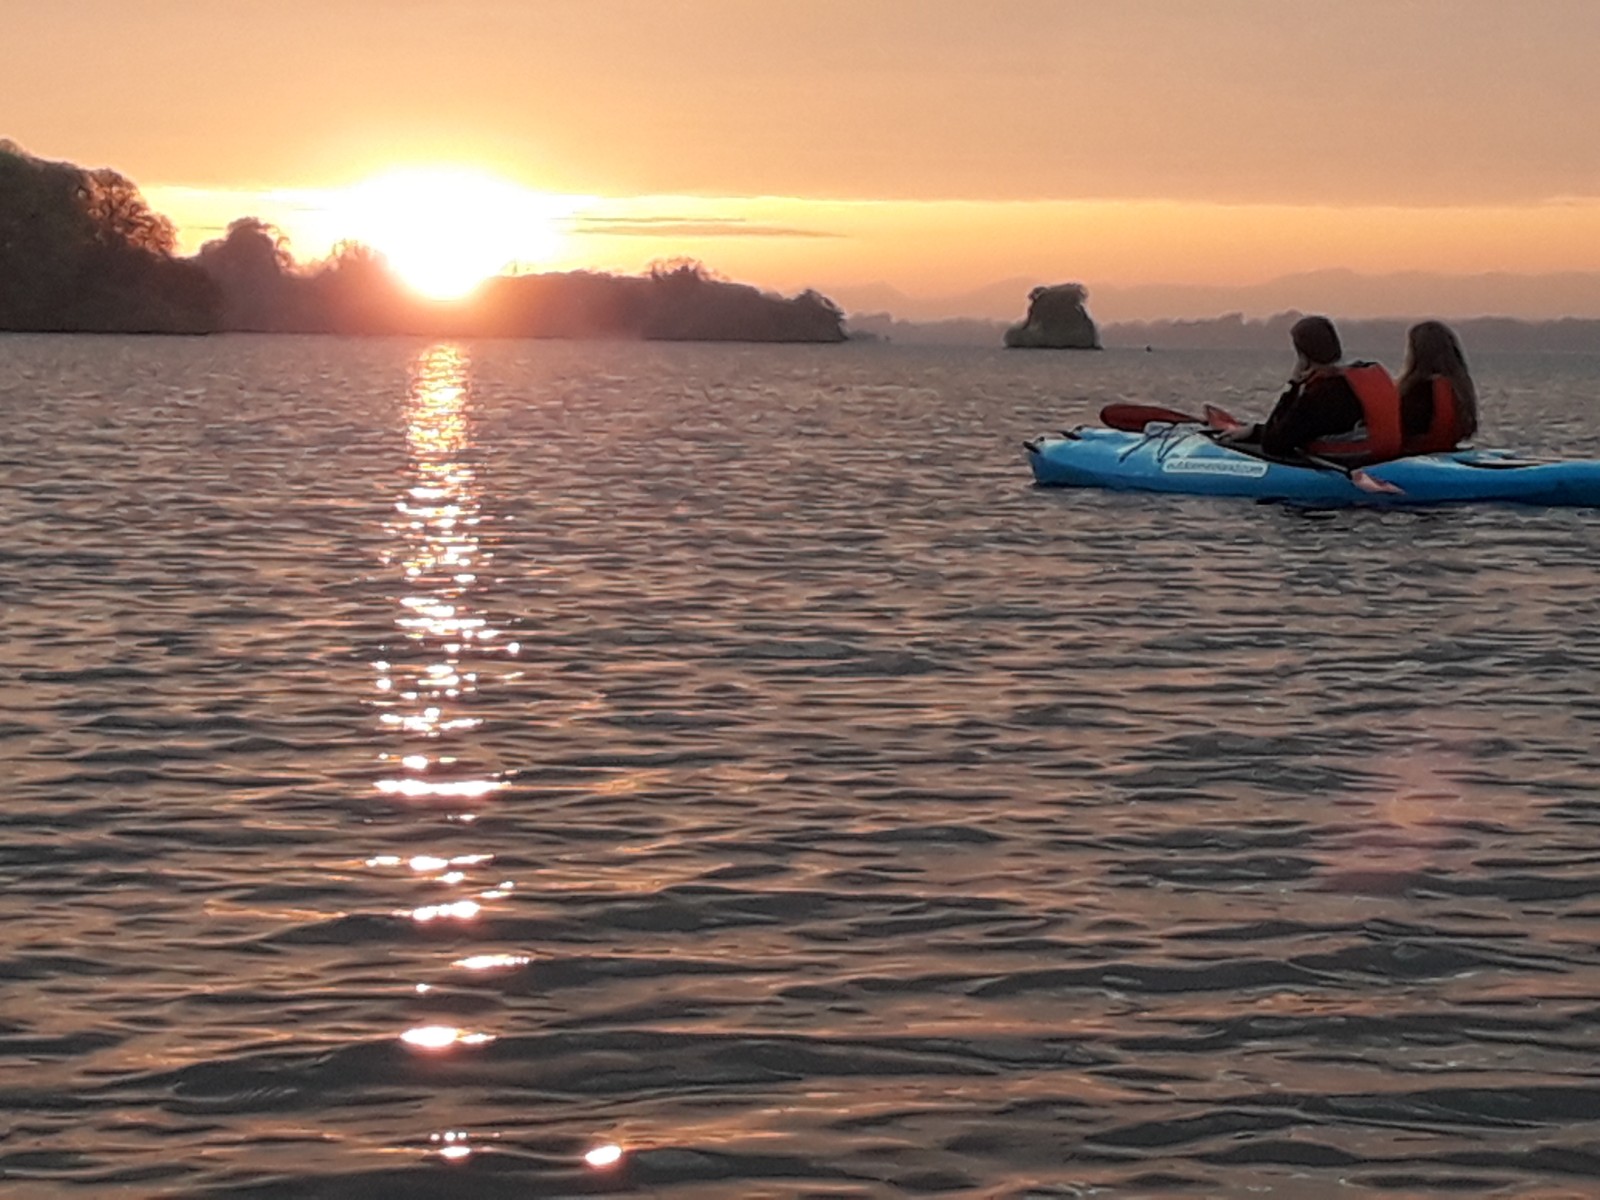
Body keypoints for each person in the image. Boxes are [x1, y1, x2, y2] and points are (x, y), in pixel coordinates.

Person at [1220, 315, 1403, 465]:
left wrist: (1293, 384)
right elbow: (1306, 427)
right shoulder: (1361, 375)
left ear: (1303, 355)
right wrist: (1254, 430)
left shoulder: (1322, 391)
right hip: (1384, 453)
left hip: (1353, 458)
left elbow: (1274, 444)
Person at [1396, 320, 1479, 454]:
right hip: (1447, 450)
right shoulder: (1459, 388)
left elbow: (1406, 428)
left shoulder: (1418, 390)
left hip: (1416, 454)